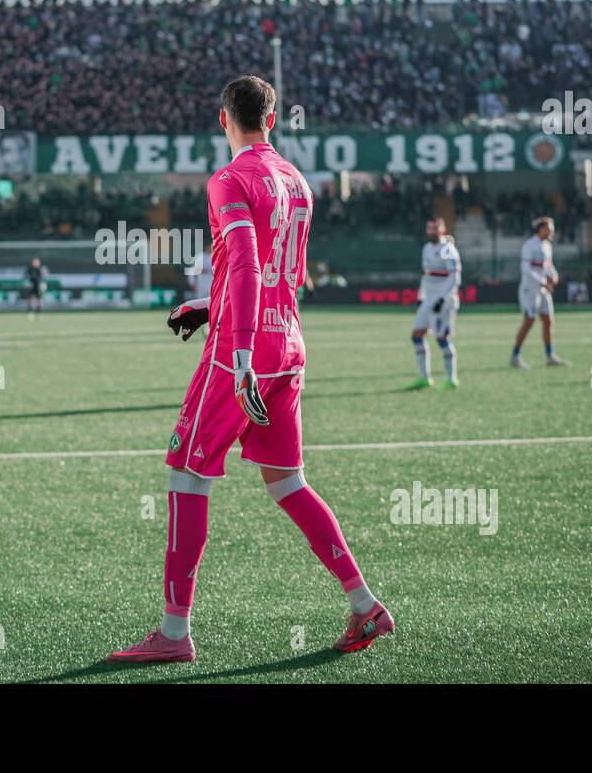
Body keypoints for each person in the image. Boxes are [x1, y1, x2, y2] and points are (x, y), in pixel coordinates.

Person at [108, 75, 392, 664]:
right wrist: (210, 306)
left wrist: (236, 353)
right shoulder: (297, 182)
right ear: (274, 118)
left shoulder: (229, 179)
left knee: (188, 473)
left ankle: (174, 631)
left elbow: (243, 264)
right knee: (288, 482)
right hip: (288, 345)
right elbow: (278, 278)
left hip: (244, 354)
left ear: (223, 120)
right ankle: (365, 604)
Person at [407, 217, 461, 389]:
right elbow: (426, 275)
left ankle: (451, 379)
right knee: (416, 335)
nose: (431, 231)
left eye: (435, 228)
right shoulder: (427, 248)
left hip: (443, 301)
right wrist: (420, 296)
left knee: (442, 338)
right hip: (428, 300)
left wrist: (442, 299)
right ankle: (425, 378)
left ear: (442, 230)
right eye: (429, 228)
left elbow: (455, 277)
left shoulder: (447, 248)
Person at [511, 217, 567, 369]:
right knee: (529, 322)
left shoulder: (547, 245)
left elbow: (548, 265)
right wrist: (543, 282)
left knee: (548, 321)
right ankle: (515, 357)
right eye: (549, 228)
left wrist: (554, 276)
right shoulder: (529, 245)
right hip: (530, 290)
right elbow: (527, 270)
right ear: (540, 229)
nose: (552, 231)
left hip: (543, 290)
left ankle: (550, 356)